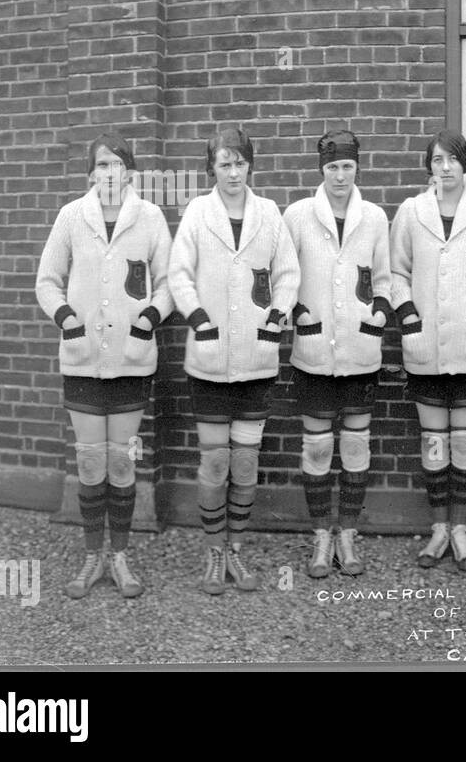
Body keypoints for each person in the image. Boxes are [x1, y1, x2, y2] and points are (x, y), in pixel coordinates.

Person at [35, 133, 173, 599]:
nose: (109, 172)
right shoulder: (72, 216)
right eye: (101, 164)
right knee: (91, 463)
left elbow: (169, 284)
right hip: (82, 360)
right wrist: (68, 319)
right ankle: (92, 555)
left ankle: (121, 556)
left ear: (129, 172)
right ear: (92, 172)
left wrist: (148, 321)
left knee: (122, 463)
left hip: (132, 361)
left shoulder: (150, 218)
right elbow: (47, 281)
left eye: (117, 164)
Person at [168, 127, 299, 595]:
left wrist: (276, 318)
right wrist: (200, 318)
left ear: (250, 166)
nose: (233, 172)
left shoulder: (269, 213)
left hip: (255, 360)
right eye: (224, 164)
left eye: (240, 163)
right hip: (208, 359)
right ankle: (213, 551)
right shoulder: (198, 213)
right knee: (215, 463)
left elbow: (288, 275)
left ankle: (237, 552)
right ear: (212, 169)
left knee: (245, 465)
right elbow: (178, 274)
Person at [390, 130, 466, 571]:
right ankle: (439, 529)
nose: (445, 167)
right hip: (427, 346)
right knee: (434, 442)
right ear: (429, 166)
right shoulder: (411, 212)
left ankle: (462, 529)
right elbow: (395, 272)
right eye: (437, 160)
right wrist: (409, 316)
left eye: (453, 159)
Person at [283, 130, 391, 578]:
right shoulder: (298, 215)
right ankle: (320, 536)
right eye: (332, 167)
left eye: (347, 166)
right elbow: (282, 274)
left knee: (355, 446)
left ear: (357, 168)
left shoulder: (374, 217)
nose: (340, 175)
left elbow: (383, 278)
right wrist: (299, 312)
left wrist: (380, 314)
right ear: (320, 170)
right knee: (316, 449)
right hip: (313, 347)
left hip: (360, 346)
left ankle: (348, 533)